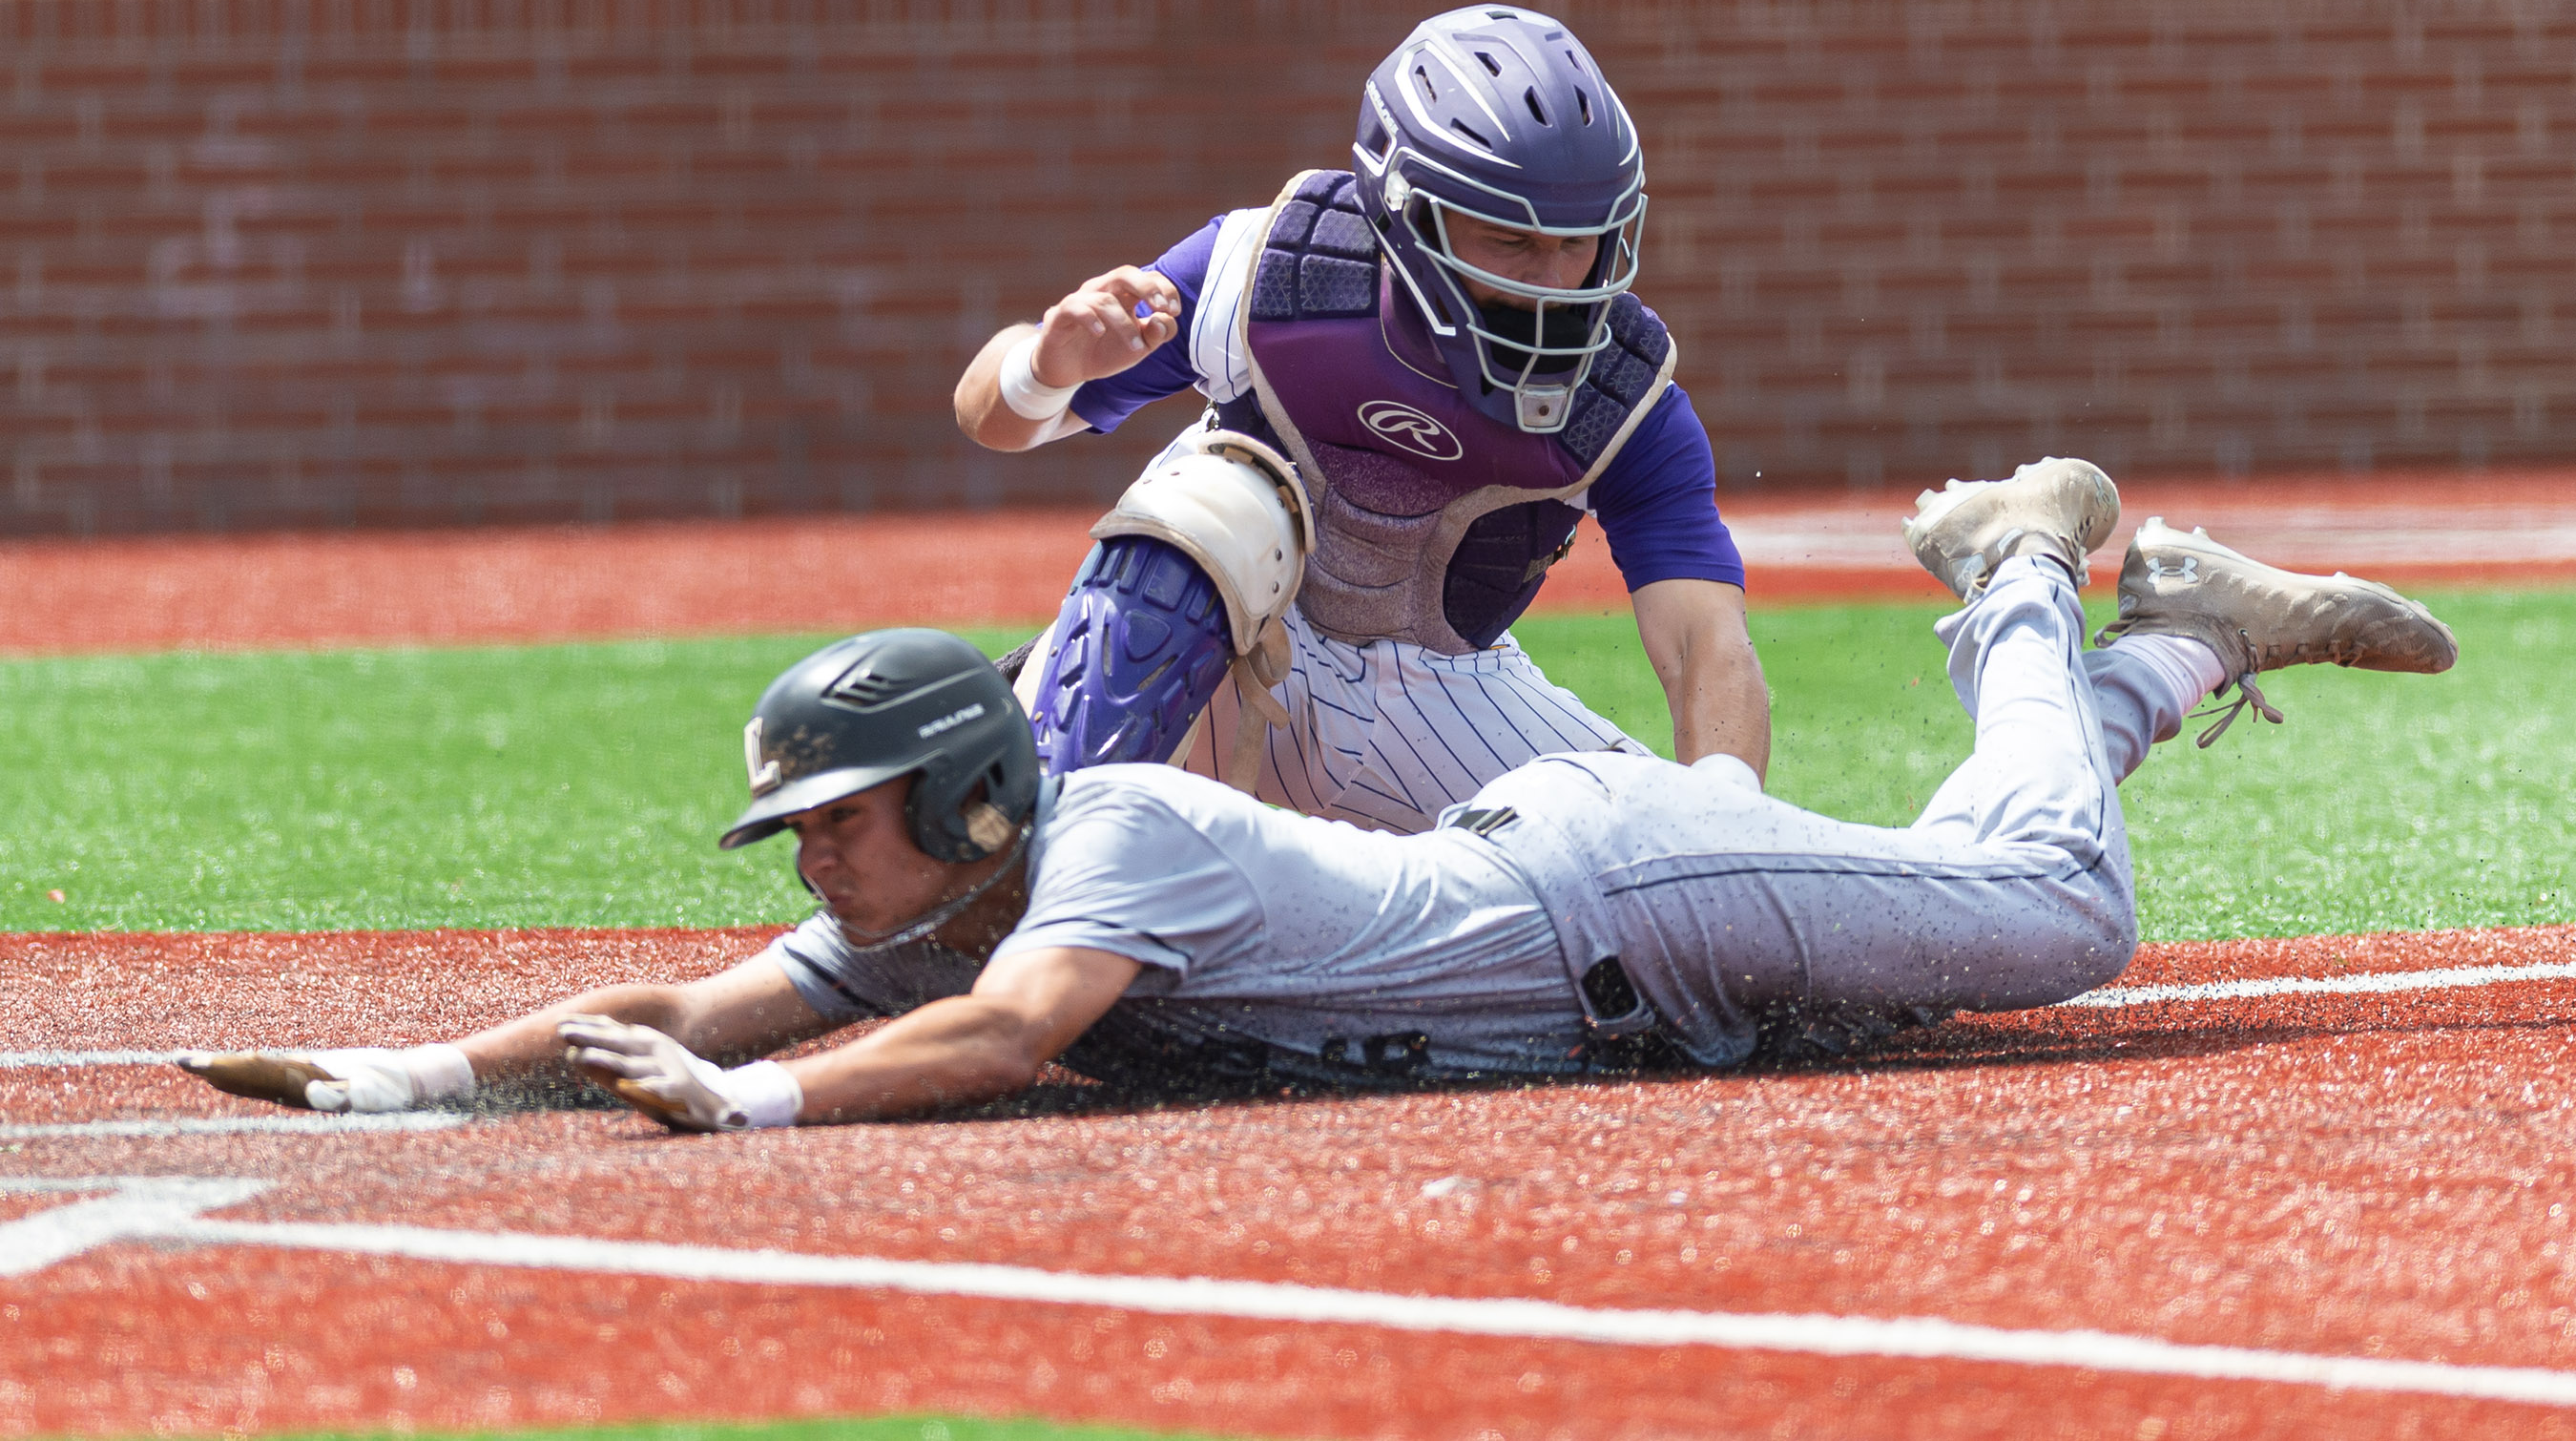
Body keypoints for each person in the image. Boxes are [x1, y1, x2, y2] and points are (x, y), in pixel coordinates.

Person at [177, 457, 2461, 1128]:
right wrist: (399, 1084)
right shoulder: (941, 899)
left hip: (1625, 884)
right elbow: (700, 998)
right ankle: (2171, 630)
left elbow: (987, 1042)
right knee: (1982, 872)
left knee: (2056, 913)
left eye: (847, 819)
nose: (823, 866)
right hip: (1610, 963)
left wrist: (763, 1113)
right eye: (809, 838)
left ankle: (2022, 577)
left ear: (970, 797)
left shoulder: (1106, 850)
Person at [952, 2, 1768, 835]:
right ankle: (1033, 854)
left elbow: (1706, 641)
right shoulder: (1264, 272)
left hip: (1443, 694)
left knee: (1662, 856)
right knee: (1209, 500)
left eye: (1577, 241)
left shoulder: (1627, 398)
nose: (1554, 279)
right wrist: (1048, 366)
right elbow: (991, 417)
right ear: (1406, 210)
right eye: (1510, 239)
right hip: (1218, 670)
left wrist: (1729, 830)